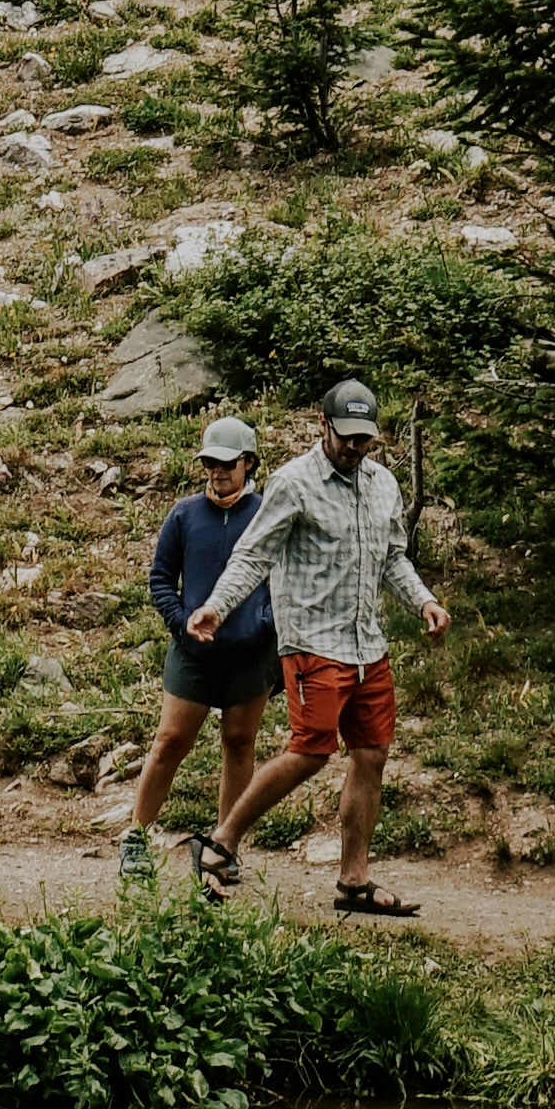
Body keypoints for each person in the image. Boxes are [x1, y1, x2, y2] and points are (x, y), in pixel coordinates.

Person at [216, 379, 447, 918]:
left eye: (364, 439)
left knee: (372, 754)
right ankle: (222, 842)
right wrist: (217, 607)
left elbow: (393, 559)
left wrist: (424, 603)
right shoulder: (294, 484)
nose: (354, 447)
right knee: (311, 751)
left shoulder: (383, 483)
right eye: (345, 437)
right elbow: (253, 555)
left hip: (368, 644)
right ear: (323, 425)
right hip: (312, 641)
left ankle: (354, 880)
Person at [123, 410, 282, 896]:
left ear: (249, 463)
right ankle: (136, 837)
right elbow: (159, 578)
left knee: (239, 743)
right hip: (192, 653)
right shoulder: (185, 513)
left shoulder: (269, 514)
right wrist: (181, 624)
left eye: (226, 463)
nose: (216, 471)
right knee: (170, 741)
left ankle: (223, 847)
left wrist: (264, 626)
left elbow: (287, 583)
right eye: (210, 463)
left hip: (250, 656)